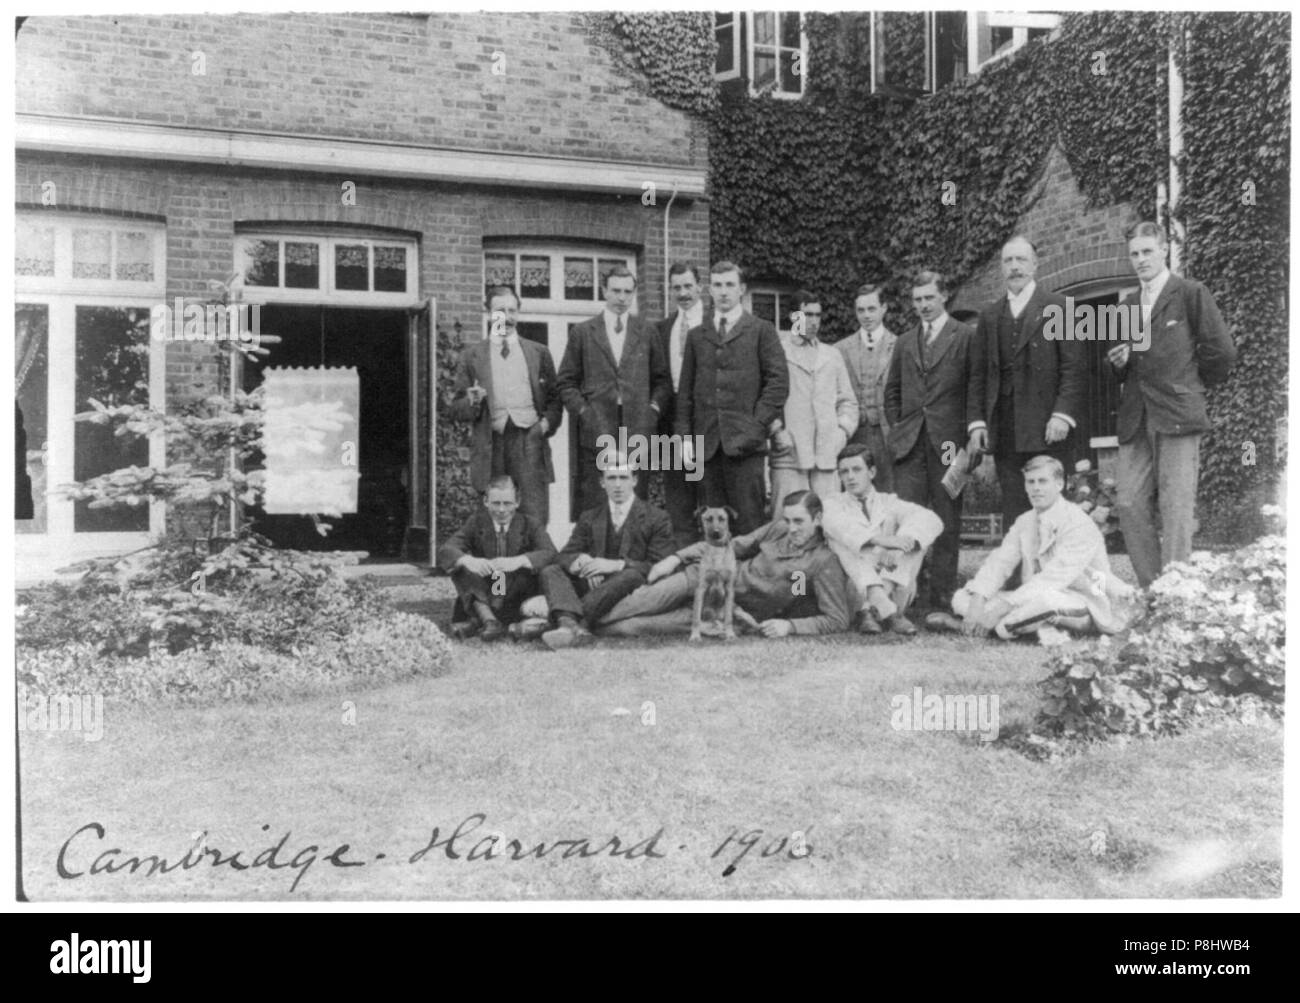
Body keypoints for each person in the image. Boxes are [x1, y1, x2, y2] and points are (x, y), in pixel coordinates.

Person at [1108, 221, 1237, 588]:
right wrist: (1118, 362)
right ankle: (1154, 589)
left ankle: (1175, 596)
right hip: (1137, 416)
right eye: (1134, 253)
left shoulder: (1190, 293)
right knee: (1129, 503)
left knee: (1177, 507)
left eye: (1147, 251)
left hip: (1178, 415)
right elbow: (1124, 364)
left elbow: (1222, 352)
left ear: (1164, 249)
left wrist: (1189, 386)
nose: (1140, 260)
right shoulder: (1127, 304)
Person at [928, 455, 1132, 639]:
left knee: (1045, 602)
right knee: (963, 598)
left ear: (1059, 484)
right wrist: (978, 599)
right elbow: (1000, 562)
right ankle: (1012, 623)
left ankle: (971, 627)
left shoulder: (1079, 523)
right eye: (1030, 482)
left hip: (1086, 599)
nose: (1036, 488)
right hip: (1031, 597)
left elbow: (1054, 579)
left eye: (1043, 481)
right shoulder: (1025, 521)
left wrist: (1000, 609)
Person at [598, 489, 852, 637]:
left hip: (728, 612)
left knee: (631, 627)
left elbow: (837, 619)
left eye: (799, 522)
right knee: (640, 602)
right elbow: (730, 544)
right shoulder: (778, 529)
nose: (791, 528)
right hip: (704, 576)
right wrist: (677, 557)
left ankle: (588, 630)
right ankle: (577, 624)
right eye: (788, 520)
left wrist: (791, 625)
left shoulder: (823, 562)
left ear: (818, 519)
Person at [884, 268, 984, 613]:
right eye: (917, 299)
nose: (923, 305)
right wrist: (900, 426)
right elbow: (892, 391)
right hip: (910, 443)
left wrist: (971, 432)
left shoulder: (965, 336)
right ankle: (907, 594)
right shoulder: (905, 341)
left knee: (946, 517)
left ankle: (941, 595)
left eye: (929, 297)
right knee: (909, 520)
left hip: (948, 443)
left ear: (944, 296)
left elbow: (975, 387)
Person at [970, 236, 1086, 531]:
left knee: (1052, 508)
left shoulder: (1060, 307)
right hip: (1006, 428)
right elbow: (978, 375)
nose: (1015, 267)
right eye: (1008, 261)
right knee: (1014, 508)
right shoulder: (990, 316)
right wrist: (977, 423)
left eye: (1021, 260)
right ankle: (1019, 576)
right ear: (1001, 268)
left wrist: (1062, 414)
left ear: (1035, 265)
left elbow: (1075, 368)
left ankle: (1055, 575)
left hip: (1048, 428)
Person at [675, 260, 789, 535]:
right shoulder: (697, 336)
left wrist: (756, 426)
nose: (723, 291)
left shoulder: (761, 330)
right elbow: (686, 390)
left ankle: (748, 578)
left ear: (742, 290)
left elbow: (778, 384)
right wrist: (685, 436)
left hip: (745, 445)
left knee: (749, 523)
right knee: (712, 526)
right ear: (709, 291)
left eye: (729, 285)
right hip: (706, 447)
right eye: (717, 285)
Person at [557, 266, 671, 515]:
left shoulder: (648, 331)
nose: (622, 298)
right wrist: (585, 413)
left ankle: (632, 555)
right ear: (604, 291)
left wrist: (652, 411)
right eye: (616, 291)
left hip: (636, 430)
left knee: (635, 504)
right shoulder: (583, 332)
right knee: (597, 504)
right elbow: (566, 382)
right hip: (597, 429)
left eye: (628, 292)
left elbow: (662, 381)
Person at [449, 286, 562, 525]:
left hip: (529, 439)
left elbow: (555, 398)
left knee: (533, 512)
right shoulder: (472, 356)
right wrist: (471, 400)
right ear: (489, 313)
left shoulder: (538, 352)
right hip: (492, 441)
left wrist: (543, 426)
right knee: (494, 512)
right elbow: (455, 407)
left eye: (512, 310)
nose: (507, 317)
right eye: (500, 310)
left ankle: (532, 560)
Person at [538, 459, 675, 650]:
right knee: (551, 570)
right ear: (602, 482)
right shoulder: (590, 517)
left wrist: (616, 565)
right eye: (611, 478)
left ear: (634, 480)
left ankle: (567, 622)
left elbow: (659, 564)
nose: (617, 485)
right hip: (592, 585)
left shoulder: (657, 517)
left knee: (631, 574)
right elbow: (563, 556)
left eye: (623, 478)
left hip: (628, 587)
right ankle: (571, 627)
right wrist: (581, 562)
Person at [821, 444, 943, 636]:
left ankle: (875, 606)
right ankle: (880, 606)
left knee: (916, 539)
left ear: (872, 472)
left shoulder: (888, 501)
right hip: (855, 592)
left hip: (894, 588)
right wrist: (881, 540)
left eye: (857, 469)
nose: (850, 477)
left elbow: (932, 520)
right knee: (839, 539)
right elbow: (837, 525)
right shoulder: (832, 503)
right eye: (844, 472)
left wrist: (900, 546)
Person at [437, 476, 557, 641]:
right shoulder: (477, 522)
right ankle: (490, 621)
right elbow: (447, 549)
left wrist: (518, 561)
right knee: (461, 567)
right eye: (496, 503)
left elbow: (549, 552)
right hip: (486, 591)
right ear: (486, 501)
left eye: (507, 503)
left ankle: (476, 623)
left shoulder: (530, 524)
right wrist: (470, 561)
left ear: (517, 502)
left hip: (516, 592)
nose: (501, 510)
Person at [769, 290, 858, 512]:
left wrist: (842, 433)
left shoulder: (832, 355)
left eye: (818, 315)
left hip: (826, 455)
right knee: (786, 522)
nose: (814, 321)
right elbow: (763, 398)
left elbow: (848, 402)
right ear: (793, 317)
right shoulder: (776, 352)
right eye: (807, 314)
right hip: (790, 455)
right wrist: (776, 431)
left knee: (829, 520)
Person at [654, 262, 706, 547]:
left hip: (708, 422)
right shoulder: (662, 329)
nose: (683, 293)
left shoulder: (714, 323)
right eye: (677, 287)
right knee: (679, 501)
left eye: (688, 286)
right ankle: (684, 566)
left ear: (700, 286)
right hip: (673, 425)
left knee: (709, 498)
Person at [837, 283, 898, 493]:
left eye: (871, 309)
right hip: (854, 435)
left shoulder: (899, 346)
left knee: (888, 493)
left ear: (884, 308)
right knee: (855, 492)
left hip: (887, 434)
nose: (866, 315)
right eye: (861, 310)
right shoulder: (841, 349)